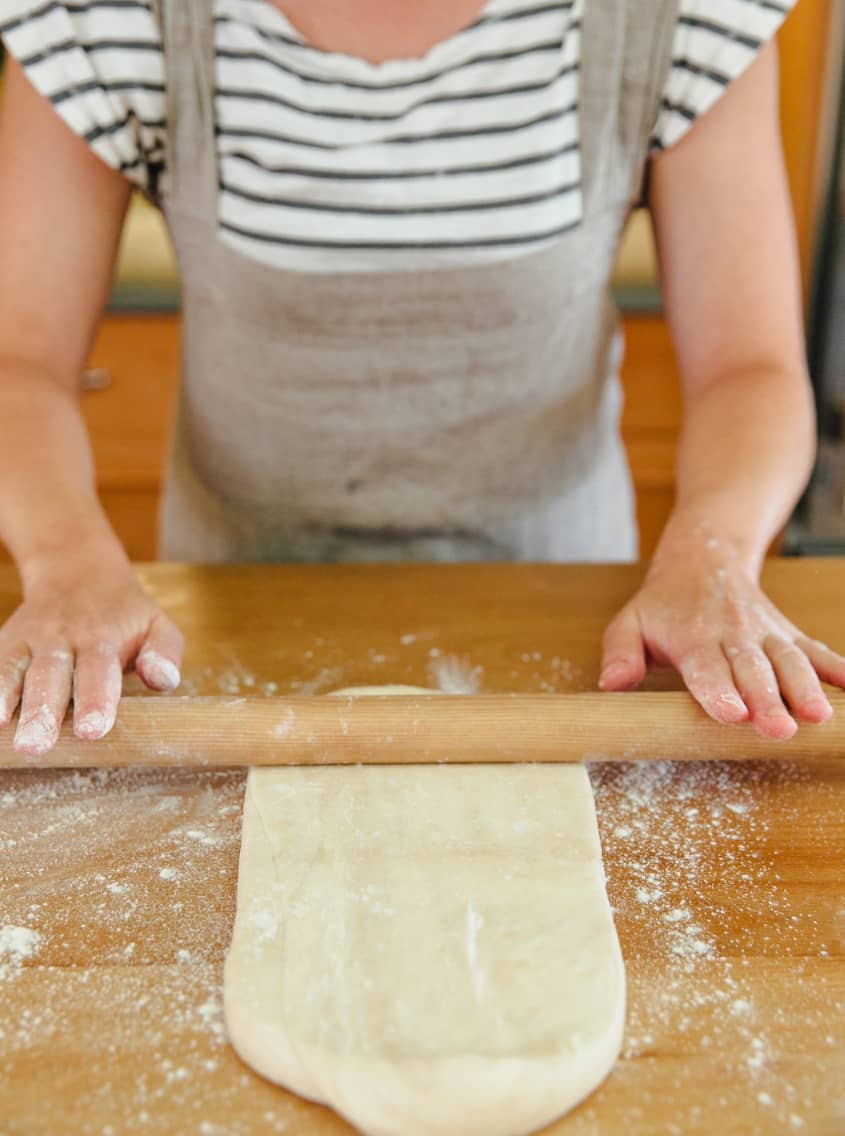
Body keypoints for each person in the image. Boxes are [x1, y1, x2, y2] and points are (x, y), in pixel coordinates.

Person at [0, 0, 843, 757]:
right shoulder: (104, 15)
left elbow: (748, 368)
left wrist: (716, 552)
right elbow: (19, 362)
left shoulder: (681, 13)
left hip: (569, 620)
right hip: (226, 616)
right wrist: (66, 560)